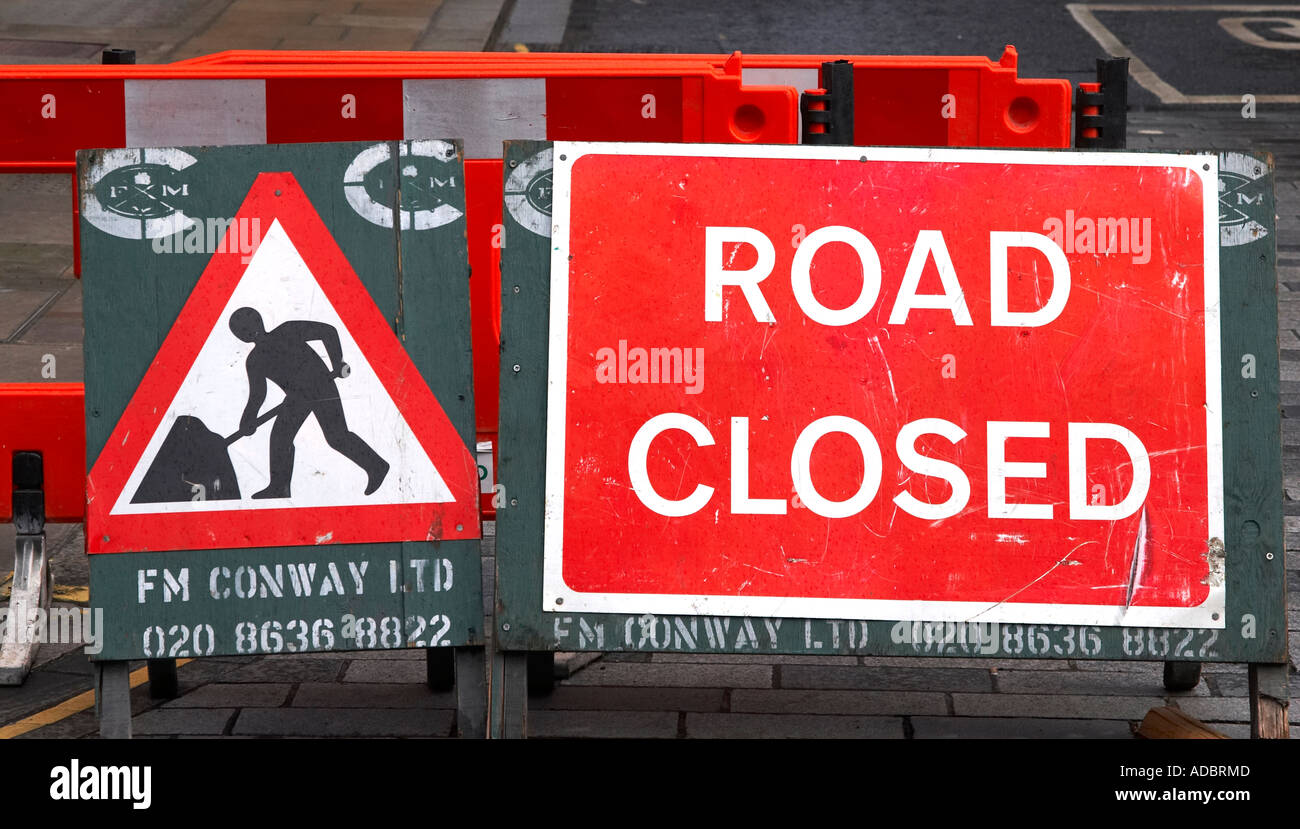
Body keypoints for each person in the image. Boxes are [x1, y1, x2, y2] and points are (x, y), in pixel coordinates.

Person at [228, 306, 389, 499]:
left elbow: (327, 332)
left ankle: (377, 466)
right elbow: (258, 394)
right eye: (243, 331)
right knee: (280, 438)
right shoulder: (254, 361)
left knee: (337, 436)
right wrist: (248, 419)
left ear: (259, 322)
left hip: (321, 385)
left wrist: (337, 363)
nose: (249, 332)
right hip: (296, 397)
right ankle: (279, 487)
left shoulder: (287, 330)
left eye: (249, 326)